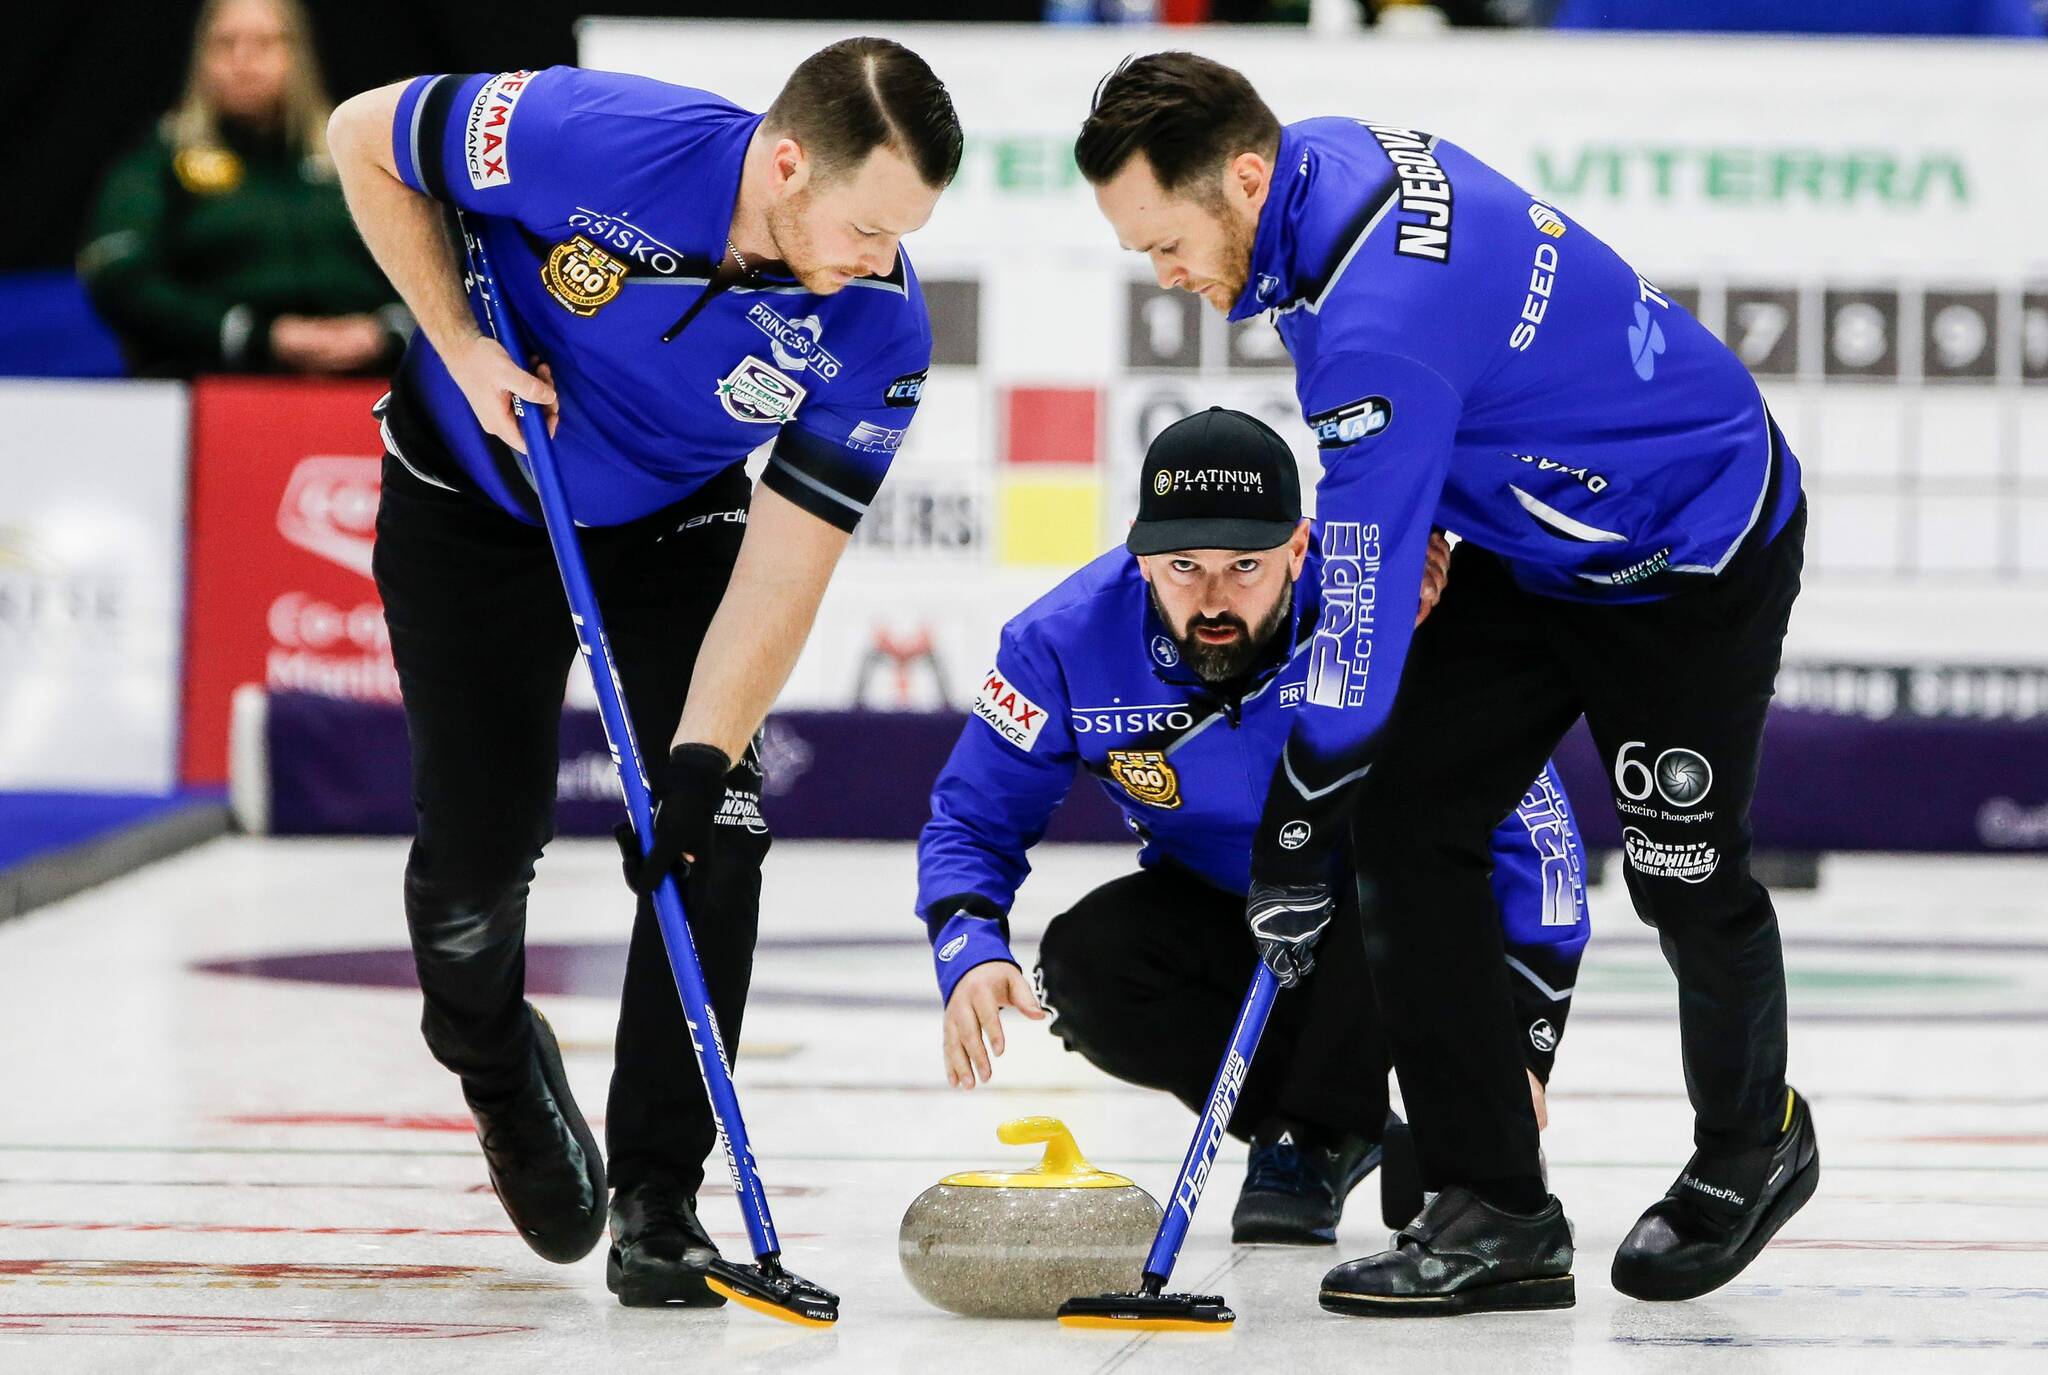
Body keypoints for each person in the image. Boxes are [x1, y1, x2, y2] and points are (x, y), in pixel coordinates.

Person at [1073, 53, 1817, 1315]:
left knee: (1684, 873)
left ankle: (1754, 1143)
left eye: (1165, 241)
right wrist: (1426, 493)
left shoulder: (1373, 324)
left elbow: (1354, 630)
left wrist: (1297, 818)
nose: (1167, 276)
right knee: (1411, 818)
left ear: (1243, 178)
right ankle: (1495, 1210)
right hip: (1537, 551)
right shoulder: (1322, 167)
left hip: (1691, 542)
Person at [325, 42, 960, 1307]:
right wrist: (456, 343)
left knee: (713, 838)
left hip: (674, 524)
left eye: (905, 234)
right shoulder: (596, 136)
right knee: (475, 856)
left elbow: (784, 573)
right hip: (472, 496)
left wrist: (697, 760)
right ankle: (500, 1069)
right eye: (866, 224)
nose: (881, 259)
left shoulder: (876, 327)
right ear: (786, 161)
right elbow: (357, 135)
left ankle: (660, 1200)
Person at [917, 406, 1590, 1245]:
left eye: (1246, 565)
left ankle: (1311, 1133)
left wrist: (1526, 1040)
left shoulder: (1386, 610)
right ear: (1139, 553)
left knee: (1392, 863)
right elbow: (971, 817)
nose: (1213, 600)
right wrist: (969, 945)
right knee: (1084, 967)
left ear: (1301, 549)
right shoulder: (1058, 643)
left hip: (1375, 914)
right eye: (1183, 566)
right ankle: (1331, 1130)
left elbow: (1534, 820)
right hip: (1225, 907)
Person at [78, 0, 408, 378]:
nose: (244, 61)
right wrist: (254, 335)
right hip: (210, 383)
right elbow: (117, 273)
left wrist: (385, 332)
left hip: (372, 386)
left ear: (301, 55)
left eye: (266, 43)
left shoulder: (355, 154)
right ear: (200, 57)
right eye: (225, 43)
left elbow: (440, 259)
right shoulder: (162, 155)